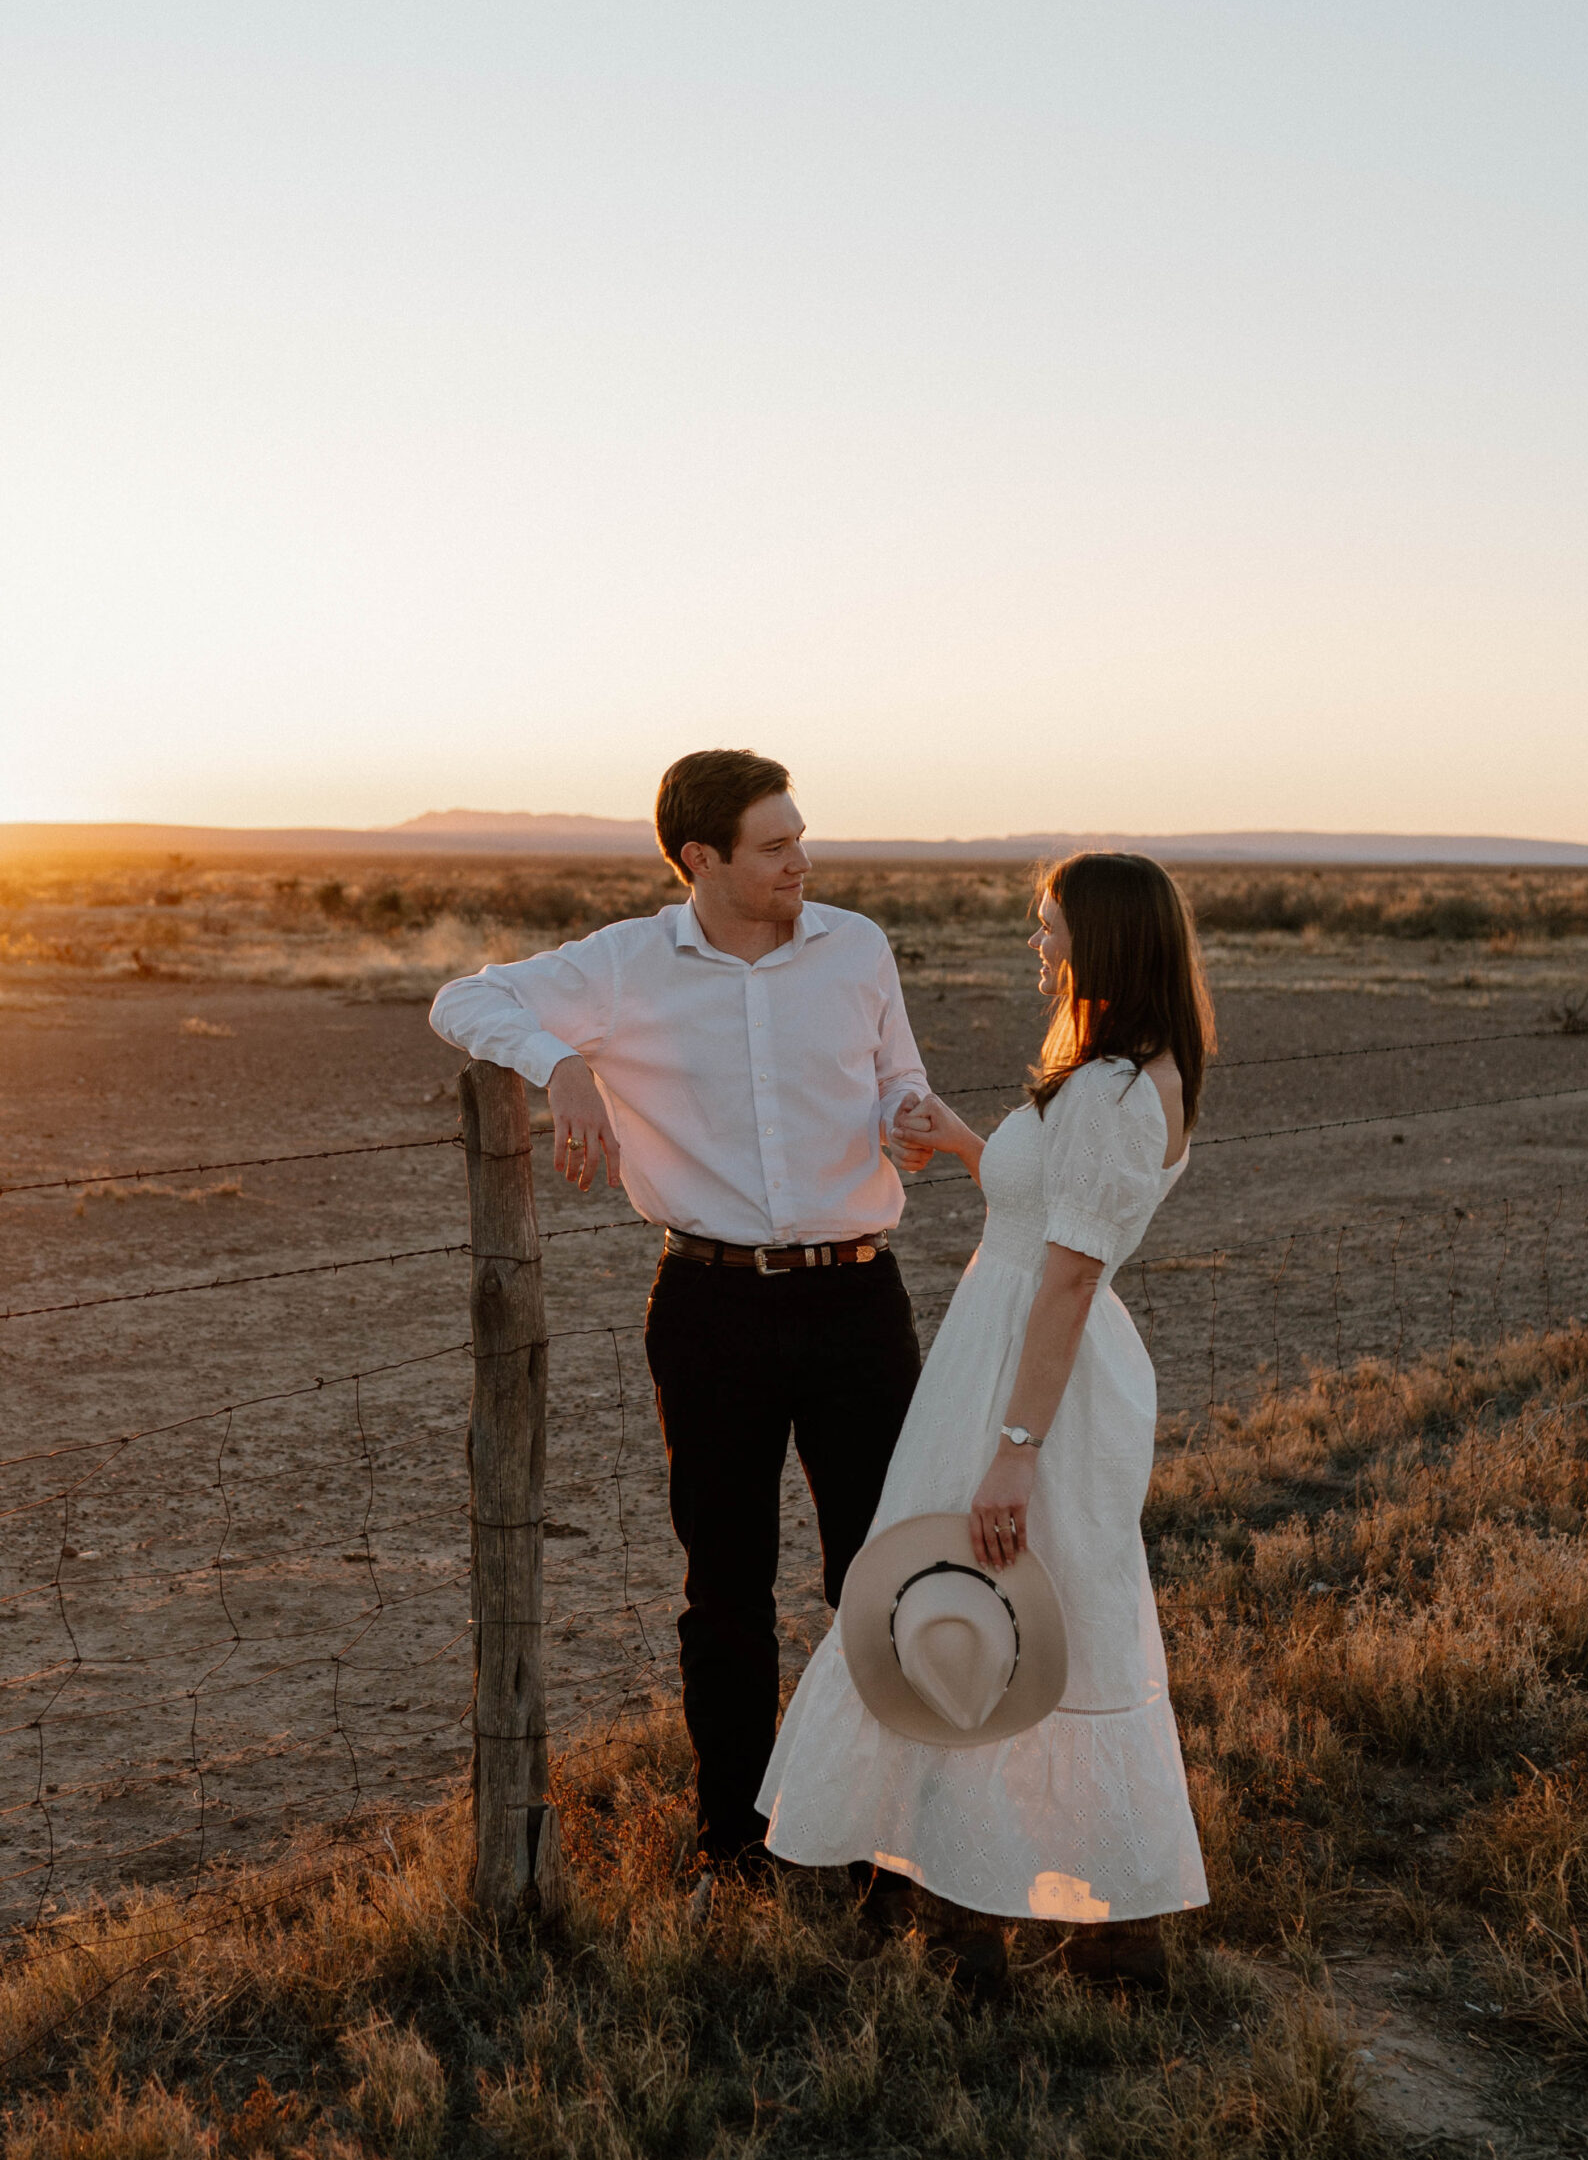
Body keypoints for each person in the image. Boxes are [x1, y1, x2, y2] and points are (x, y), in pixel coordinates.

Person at [428, 750, 931, 1878]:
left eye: (800, 836)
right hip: (712, 1307)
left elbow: (897, 1073)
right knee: (725, 1592)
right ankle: (735, 1841)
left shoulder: (855, 946)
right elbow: (462, 998)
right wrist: (560, 1065)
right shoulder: (626, 964)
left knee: (880, 1575)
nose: (803, 857)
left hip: (859, 1299)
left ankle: (883, 1829)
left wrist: (907, 1110)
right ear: (701, 859)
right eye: (776, 844)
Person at [758, 852, 1215, 1985]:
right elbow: (1047, 1207)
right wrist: (969, 1141)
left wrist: (1015, 1452)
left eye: (1048, 925)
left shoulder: (1115, 1090)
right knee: (971, 1604)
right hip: (999, 1355)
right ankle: (956, 1883)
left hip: (1034, 1377)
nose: (1036, 943)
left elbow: (1066, 1277)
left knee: (1031, 1604)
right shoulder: (1102, 1069)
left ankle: (1072, 1924)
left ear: (1103, 941)